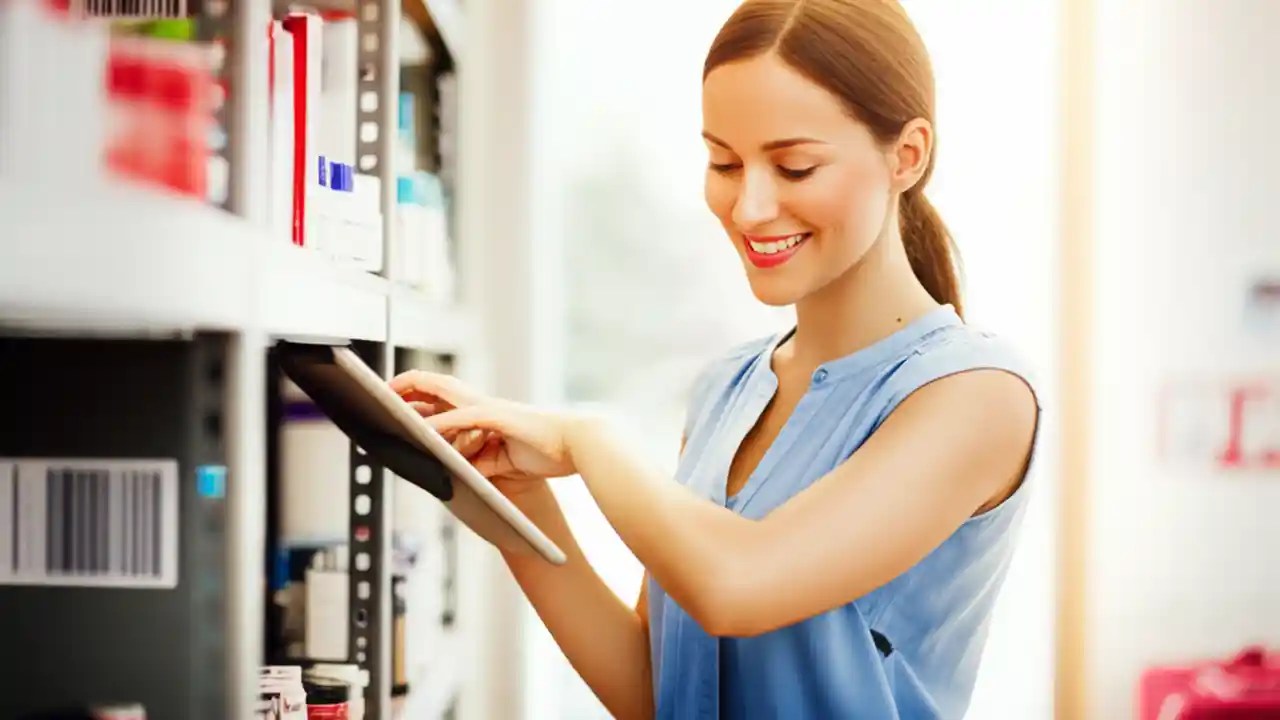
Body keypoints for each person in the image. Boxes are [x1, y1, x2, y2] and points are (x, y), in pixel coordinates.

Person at [391, 0, 1042, 717]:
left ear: (907, 155)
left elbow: (739, 587)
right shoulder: (726, 389)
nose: (749, 207)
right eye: (724, 162)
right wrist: (518, 505)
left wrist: (586, 437)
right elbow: (658, 691)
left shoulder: (976, 396)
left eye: (795, 166)